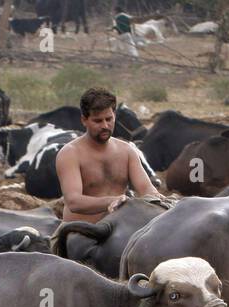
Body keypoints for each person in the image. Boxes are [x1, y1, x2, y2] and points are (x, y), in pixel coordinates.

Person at [56, 86, 162, 223]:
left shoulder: (127, 151)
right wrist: (112, 201)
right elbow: (74, 202)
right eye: (98, 121)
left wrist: (159, 199)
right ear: (84, 120)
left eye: (109, 119)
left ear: (114, 116)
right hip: (79, 232)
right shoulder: (70, 154)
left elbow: (146, 188)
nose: (105, 125)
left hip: (119, 228)